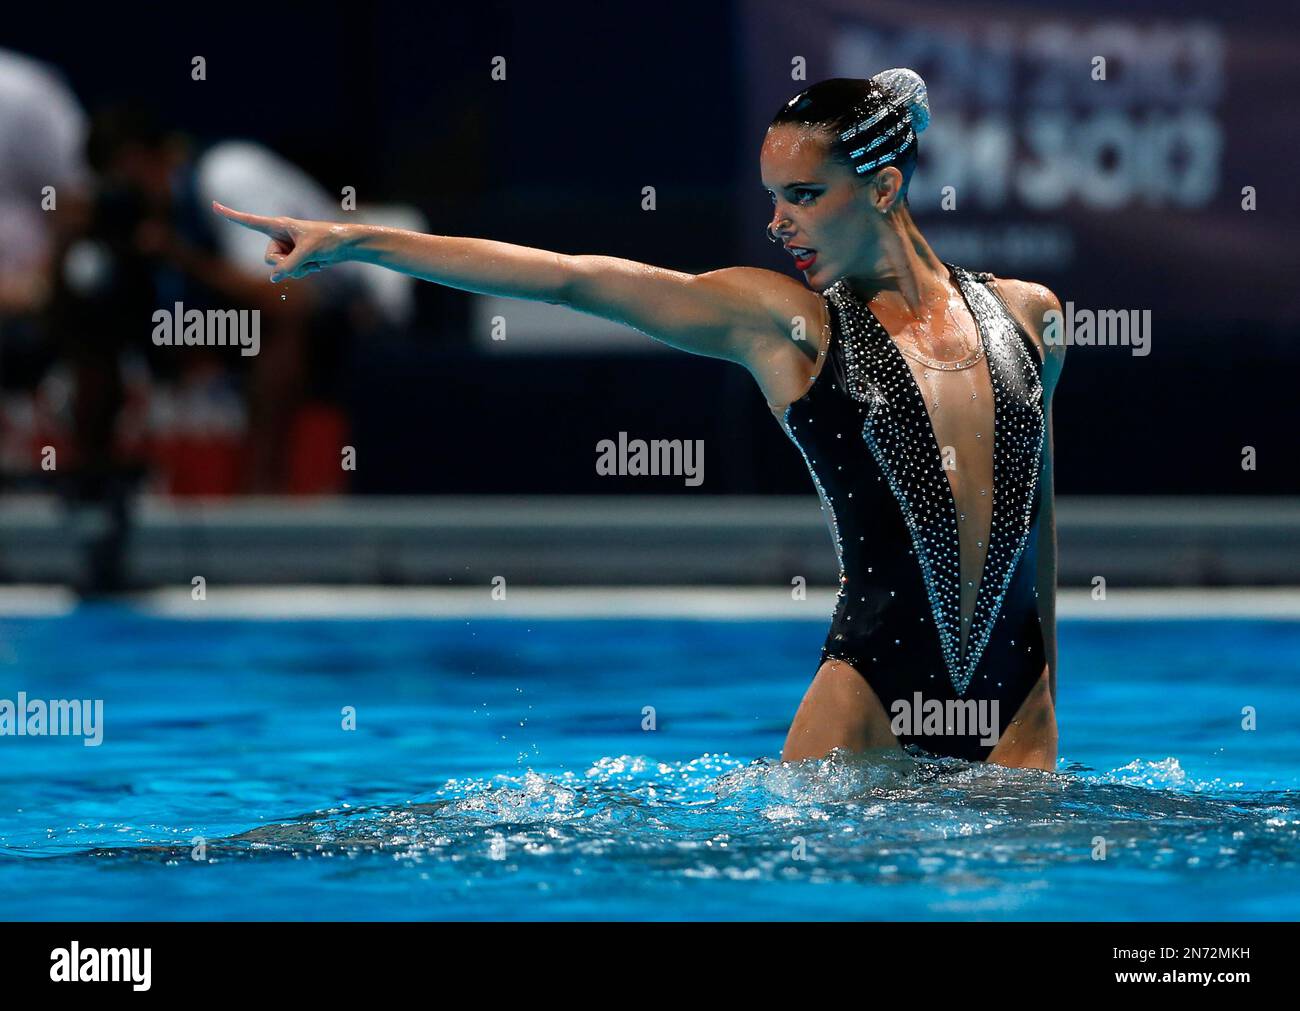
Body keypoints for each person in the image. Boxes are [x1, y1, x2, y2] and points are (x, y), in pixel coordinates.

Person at [213, 68, 1065, 771]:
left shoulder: (1030, 318)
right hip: (865, 699)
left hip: (1016, 708)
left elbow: (1039, 531)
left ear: (883, 187)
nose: (779, 225)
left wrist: (1044, 686)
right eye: (773, 197)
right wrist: (359, 242)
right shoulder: (789, 325)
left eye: (804, 195)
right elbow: (570, 277)